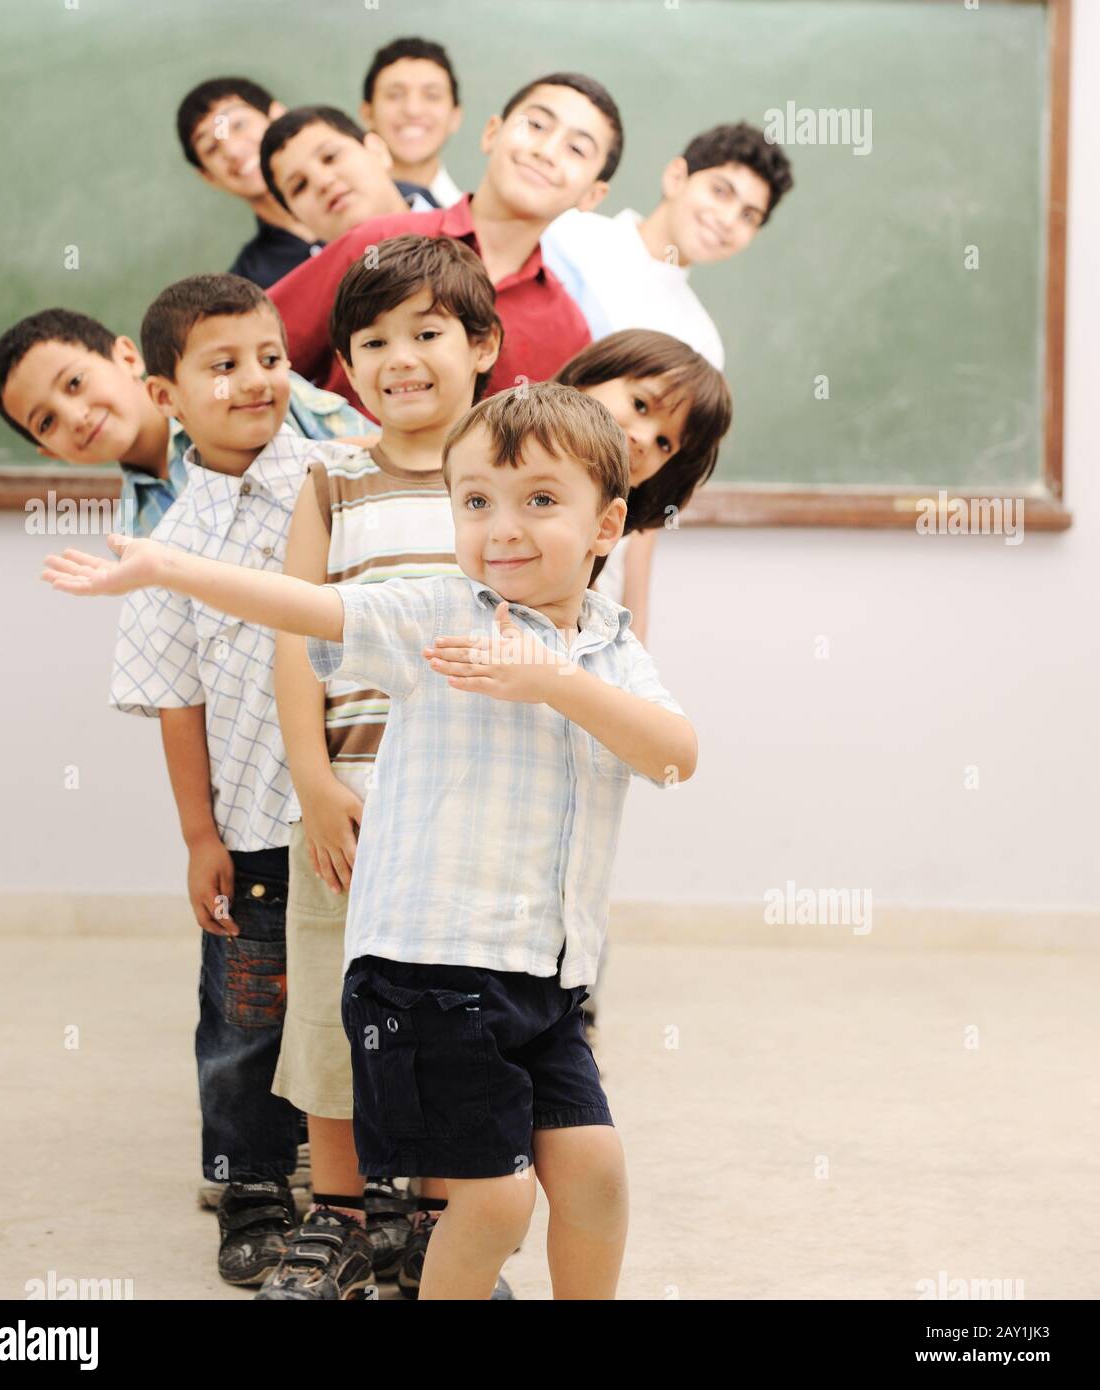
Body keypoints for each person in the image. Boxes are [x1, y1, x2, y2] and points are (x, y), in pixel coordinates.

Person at [42, 382, 698, 1300]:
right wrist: (170, 570)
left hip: (546, 977)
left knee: (594, 1176)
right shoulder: (434, 614)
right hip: (431, 971)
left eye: (539, 500)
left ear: (607, 524)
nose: (502, 527)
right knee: (495, 1206)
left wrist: (552, 681)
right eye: (476, 502)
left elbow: (675, 758)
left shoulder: (610, 649)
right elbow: (308, 607)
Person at [260, 233, 503, 1300]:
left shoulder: (505, 481)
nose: (399, 356)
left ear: (483, 344)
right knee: (326, 1002)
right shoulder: (331, 481)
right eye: (371, 340)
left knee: (460, 1019)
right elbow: (290, 638)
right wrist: (313, 783)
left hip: (469, 807)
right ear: (345, 368)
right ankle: (343, 1214)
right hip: (350, 803)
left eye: (427, 332)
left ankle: (447, 1224)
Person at [101, 273, 338, 1285]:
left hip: (356, 804)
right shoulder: (170, 542)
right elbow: (175, 698)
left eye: (270, 357)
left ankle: (362, 1182)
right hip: (250, 821)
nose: (254, 381)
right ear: (165, 395)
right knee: (249, 1011)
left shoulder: (341, 478)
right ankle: (247, 1182)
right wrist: (200, 834)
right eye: (223, 365)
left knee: (358, 998)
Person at [269, 72, 626, 414]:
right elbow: (254, 348)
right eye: (534, 125)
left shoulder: (569, 332)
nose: (546, 151)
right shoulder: (376, 242)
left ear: (593, 195)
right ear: (491, 133)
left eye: (576, 149)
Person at [0, 307, 367, 536]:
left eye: (74, 383)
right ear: (49, 452)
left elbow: (387, 460)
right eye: (47, 422)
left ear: (127, 357)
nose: (76, 417)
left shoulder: (253, 395)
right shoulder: (133, 535)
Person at [542, 122, 795, 368]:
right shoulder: (560, 231)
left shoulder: (699, 348)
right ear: (676, 177)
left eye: (748, 216)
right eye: (720, 191)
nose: (728, 220)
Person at [556, 328, 732, 642]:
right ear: (589, 377)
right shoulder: (489, 463)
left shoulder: (608, 541)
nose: (645, 439)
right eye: (640, 405)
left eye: (665, 443)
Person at [175, 77, 322, 289]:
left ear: (277, 115)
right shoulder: (248, 288)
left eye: (239, 125)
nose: (232, 151)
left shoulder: (372, 200)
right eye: (211, 147)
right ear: (208, 176)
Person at [259, 106, 436, 247]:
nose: (323, 182)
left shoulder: (462, 228)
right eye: (299, 186)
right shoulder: (315, 292)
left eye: (330, 157)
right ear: (296, 218)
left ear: (377, 150)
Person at [358, 37, 465, 208]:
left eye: (432, 95)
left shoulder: (471, 224)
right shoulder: (332, 216)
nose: (412, 110)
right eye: (395, 95)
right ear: (367, 113)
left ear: (455, 116)